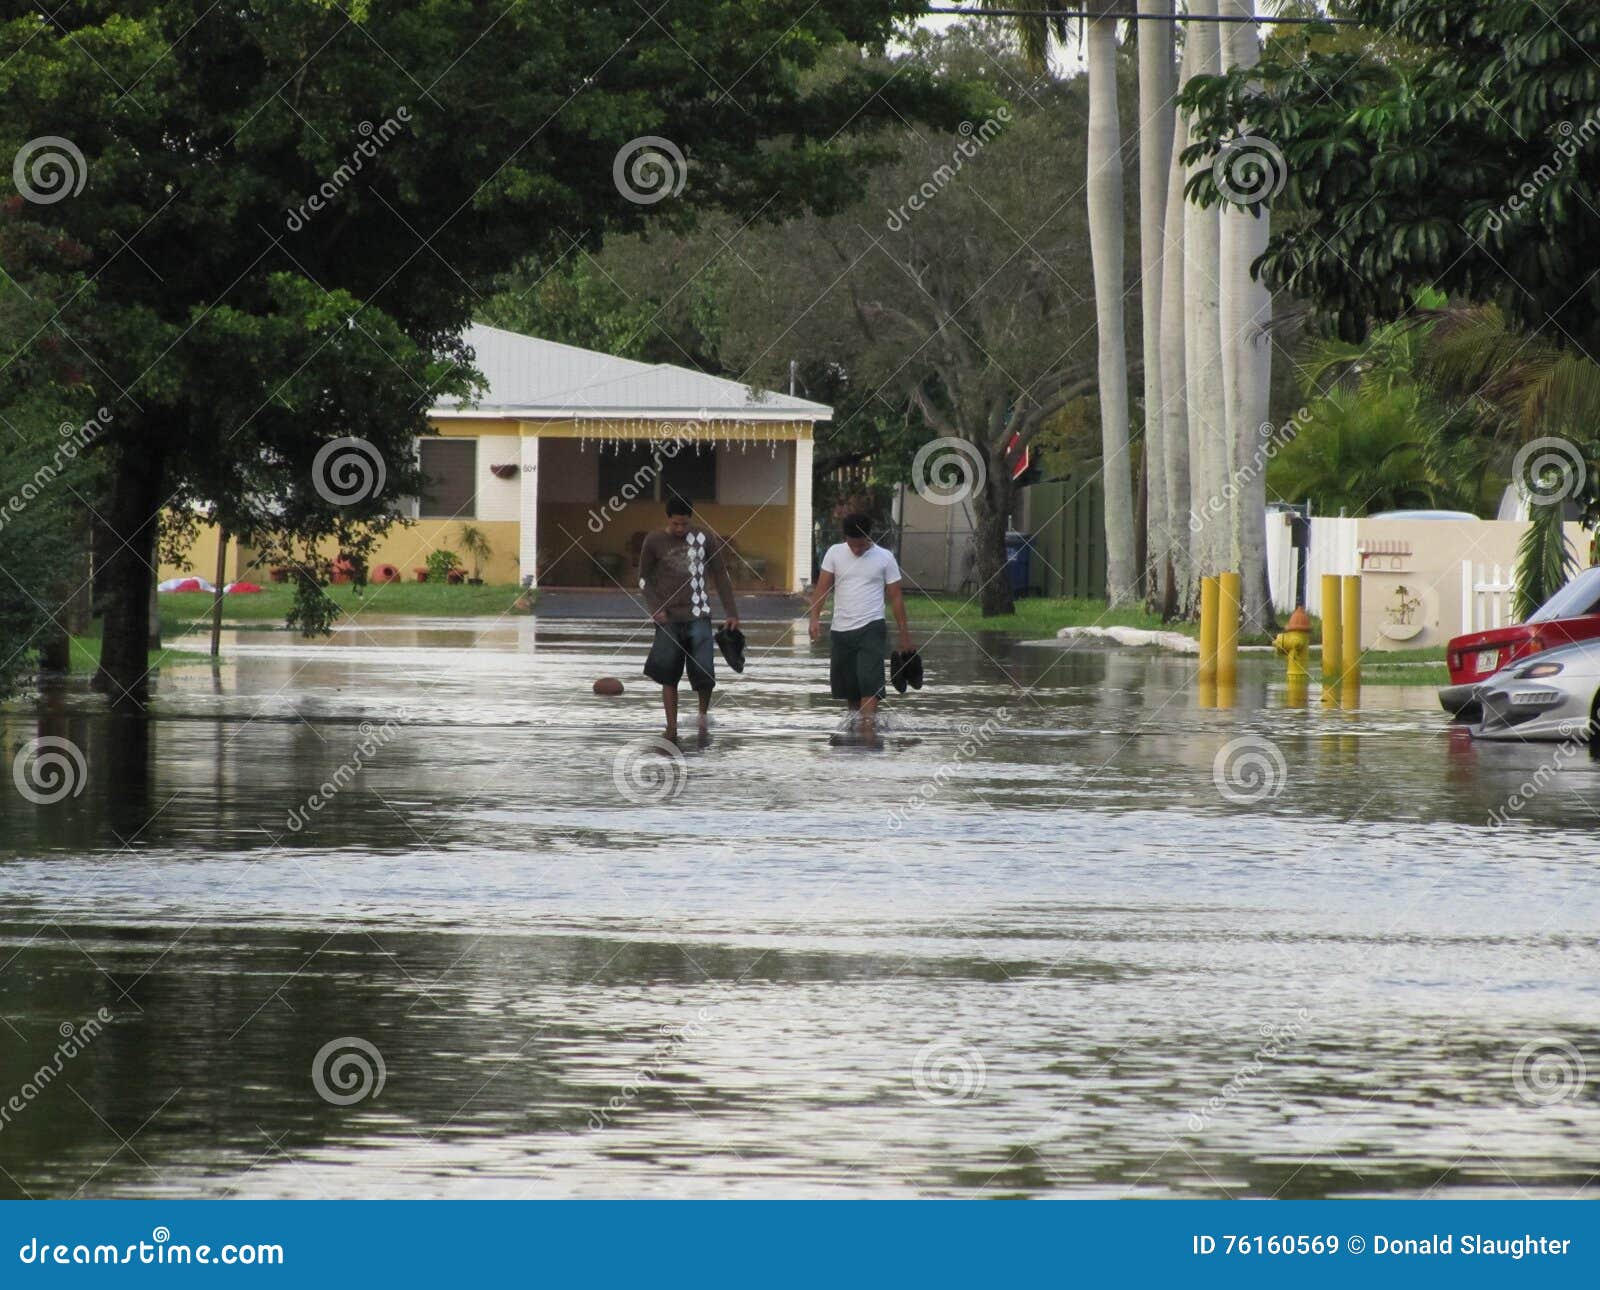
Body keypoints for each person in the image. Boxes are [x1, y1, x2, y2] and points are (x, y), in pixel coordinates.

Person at [638, 496, 740, 738]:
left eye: (684, 524)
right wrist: (655, 607)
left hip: (699, 615)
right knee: (668, 673)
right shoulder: (653, 541)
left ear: (690, 519)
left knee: (704, 672)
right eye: (675, 524)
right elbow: (644, 579)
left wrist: (732, 612)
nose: (680, 529)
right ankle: (671, 727)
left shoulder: (705, 537)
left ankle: (702, 718)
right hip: (668, 619)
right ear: (668, 519)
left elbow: (720, 576)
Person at [809, 513, 914, 731]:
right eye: (851, 545)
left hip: (872, 628)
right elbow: (822, 588)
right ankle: (856, 740)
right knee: (850, 691)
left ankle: (868, 735)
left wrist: (904, 636)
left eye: (860, 545)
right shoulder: (834, 554)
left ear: (869, 537)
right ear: (844, 537)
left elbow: (896, 597)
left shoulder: (885, 557)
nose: (856, 550)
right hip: (841, 631)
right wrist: (814, 618)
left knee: (870, 684)